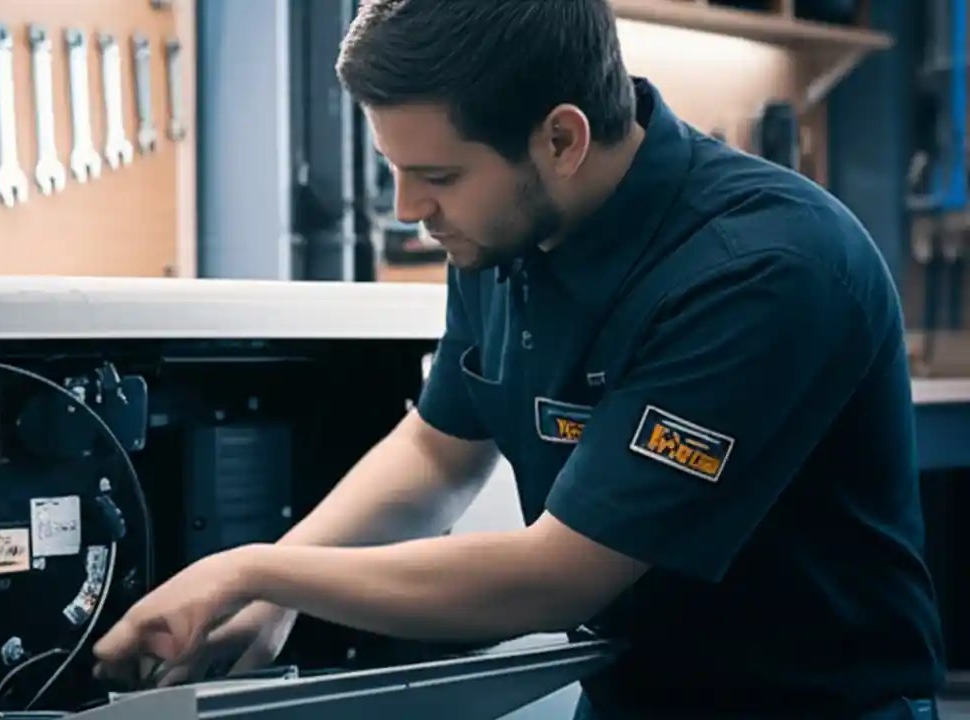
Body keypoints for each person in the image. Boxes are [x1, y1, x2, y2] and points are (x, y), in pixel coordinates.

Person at [92, 1, 947, 716]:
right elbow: (438, 450)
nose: (407, 208)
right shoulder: (503, 231)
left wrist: (251, 567)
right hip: (630, 696)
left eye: (437, 174)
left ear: (563, 140)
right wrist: (272, 598)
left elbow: (559, 577)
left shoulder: (763, 269)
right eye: (392, 169)